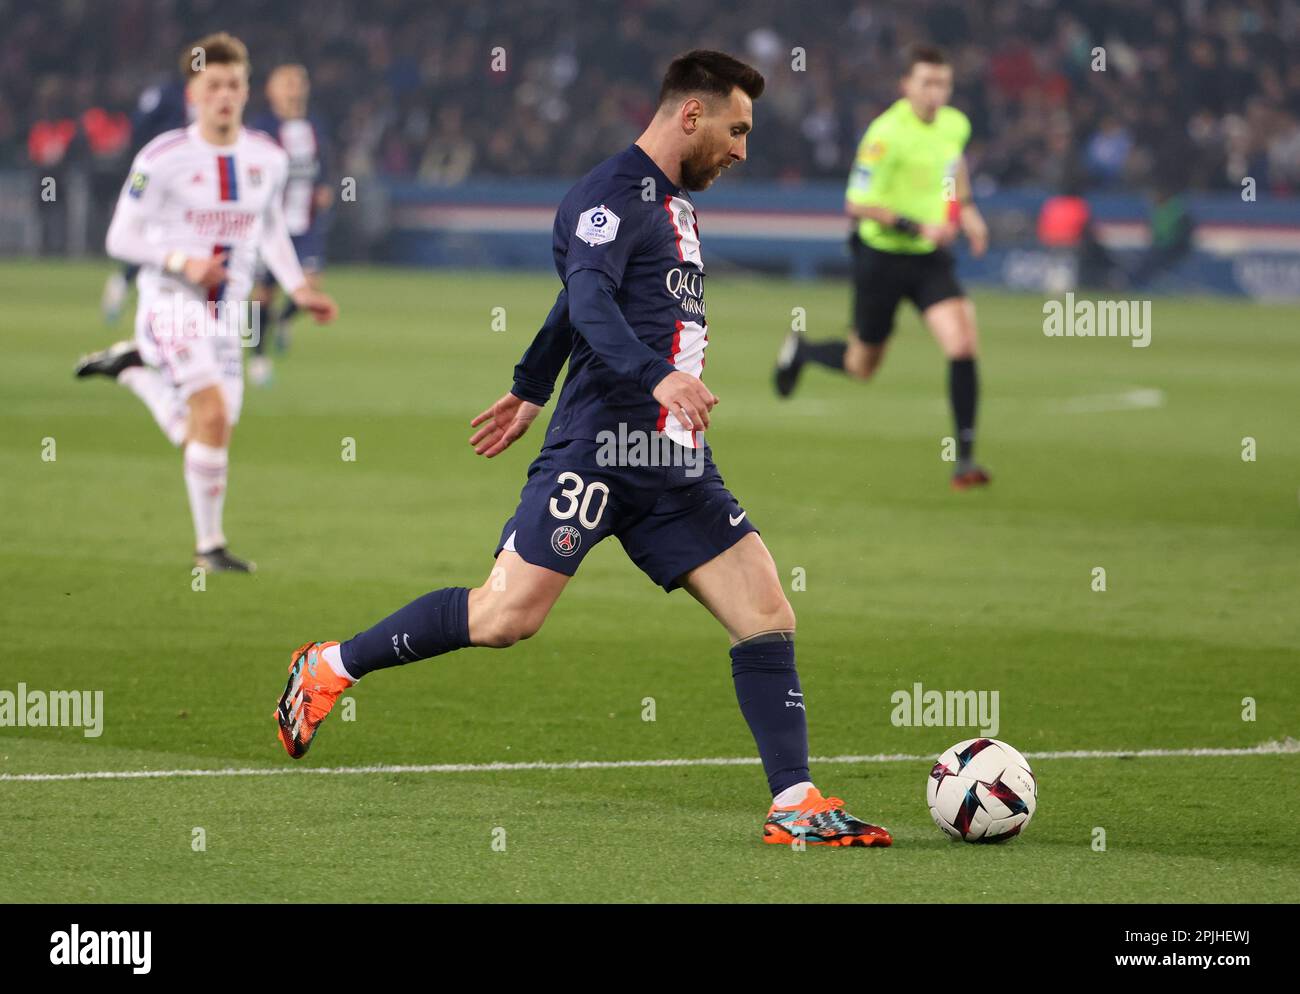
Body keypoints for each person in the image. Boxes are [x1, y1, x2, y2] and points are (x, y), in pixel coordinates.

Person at [273, 49, 891, 848]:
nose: (743, 150)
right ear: (691, 115)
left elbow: (574, 303)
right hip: (599, 448)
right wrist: (654, 373)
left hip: (672, 460)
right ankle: (329, 667)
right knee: (503, 618)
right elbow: (592, 298)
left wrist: (530, 383)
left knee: (767, 609)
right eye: (737, 130)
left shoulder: (673, 205)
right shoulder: (605, 196)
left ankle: (794, 801)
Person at [75, 32, 338, 572]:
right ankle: (209, 550)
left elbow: (269, 228)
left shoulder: (268, 157)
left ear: (246, 92)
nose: (224, 94)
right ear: (193, 93)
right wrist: (180, 262)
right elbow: (119, 238)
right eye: (212, 84)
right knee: (212, 411)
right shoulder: (162, 157)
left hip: (232, 312)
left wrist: (298, 287)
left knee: (210, 427)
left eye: (233, 84)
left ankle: (136, 372)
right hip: (172, 301)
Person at [775, 45, 992, 490]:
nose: (936, 92)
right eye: (927, 83)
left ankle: (964, 459)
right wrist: (918, 226)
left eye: (943, 83)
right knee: (862, 366)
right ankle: (803, 352)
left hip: (929, 260)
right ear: (907, 86)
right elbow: (857, 203)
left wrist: (966, 209)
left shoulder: (955, 124)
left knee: (963, 344)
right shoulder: (885, 133)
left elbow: (955, 166)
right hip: (882, 258)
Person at [247, 63, 334, 385]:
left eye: (299, 82)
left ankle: (283, 321)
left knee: (312, 286)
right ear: (271, 90)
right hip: (269, 226)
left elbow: (324, 161)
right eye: (286, 83)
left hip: (306, 225)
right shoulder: (262, 128)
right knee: (262, 294)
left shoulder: (315, 126)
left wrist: (326, 186)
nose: (294, 88)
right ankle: (257, 359)